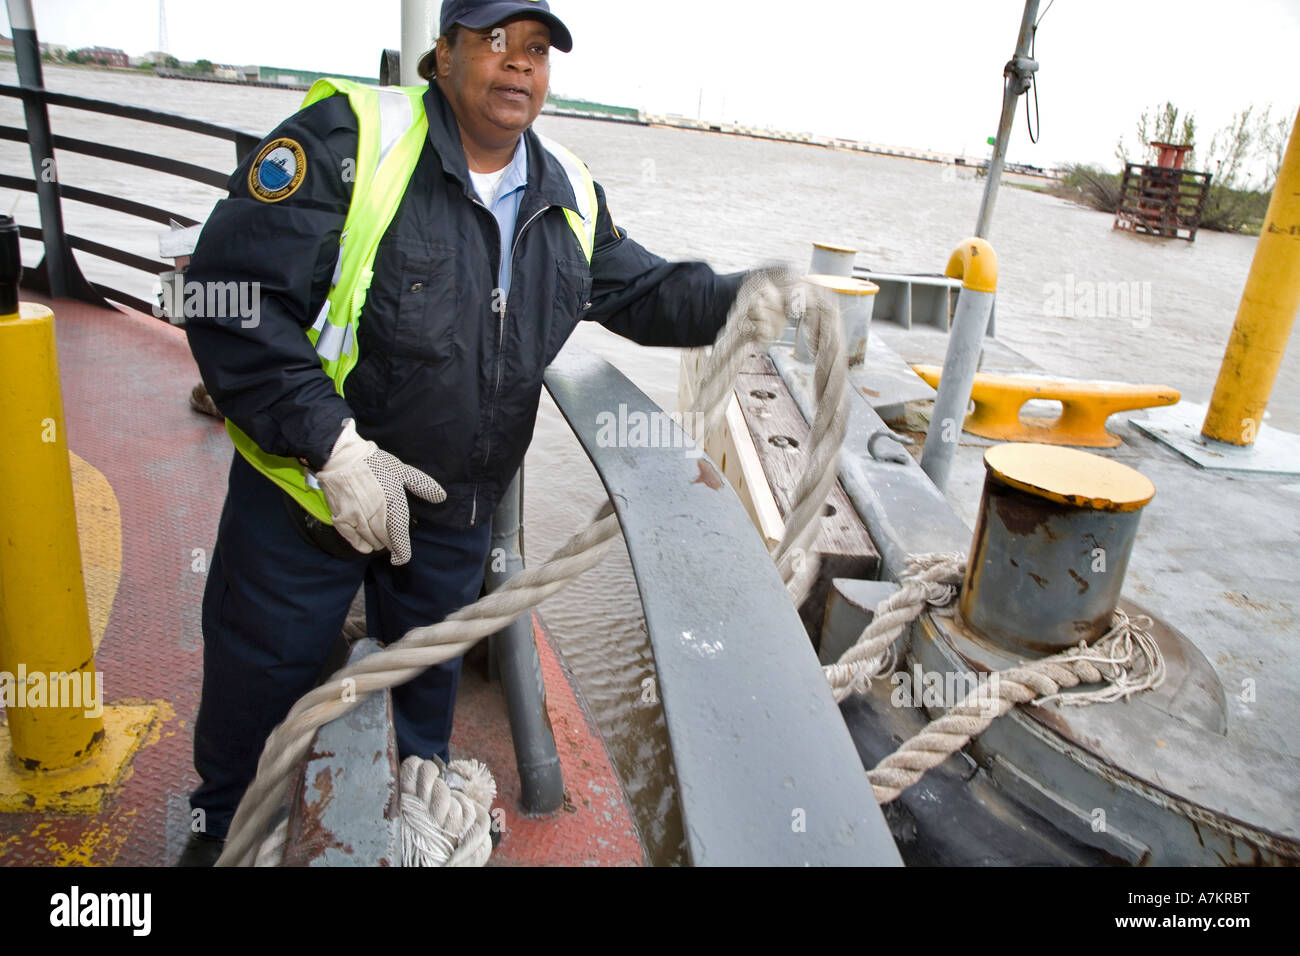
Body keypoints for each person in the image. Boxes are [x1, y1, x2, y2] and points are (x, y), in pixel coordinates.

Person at [177, 0, 798, 866]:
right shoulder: (347, 145)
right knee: (262, 680)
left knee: (427, 683)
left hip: (451, 512)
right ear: (444, 55)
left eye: (537, 50)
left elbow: (649, 293)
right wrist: (332, 447)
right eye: (496, 42)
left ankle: (419, 808)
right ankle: (220, 833)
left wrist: (743, 300)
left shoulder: (569, 194)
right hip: (312, 496)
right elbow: (230, 300)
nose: (519, 65)